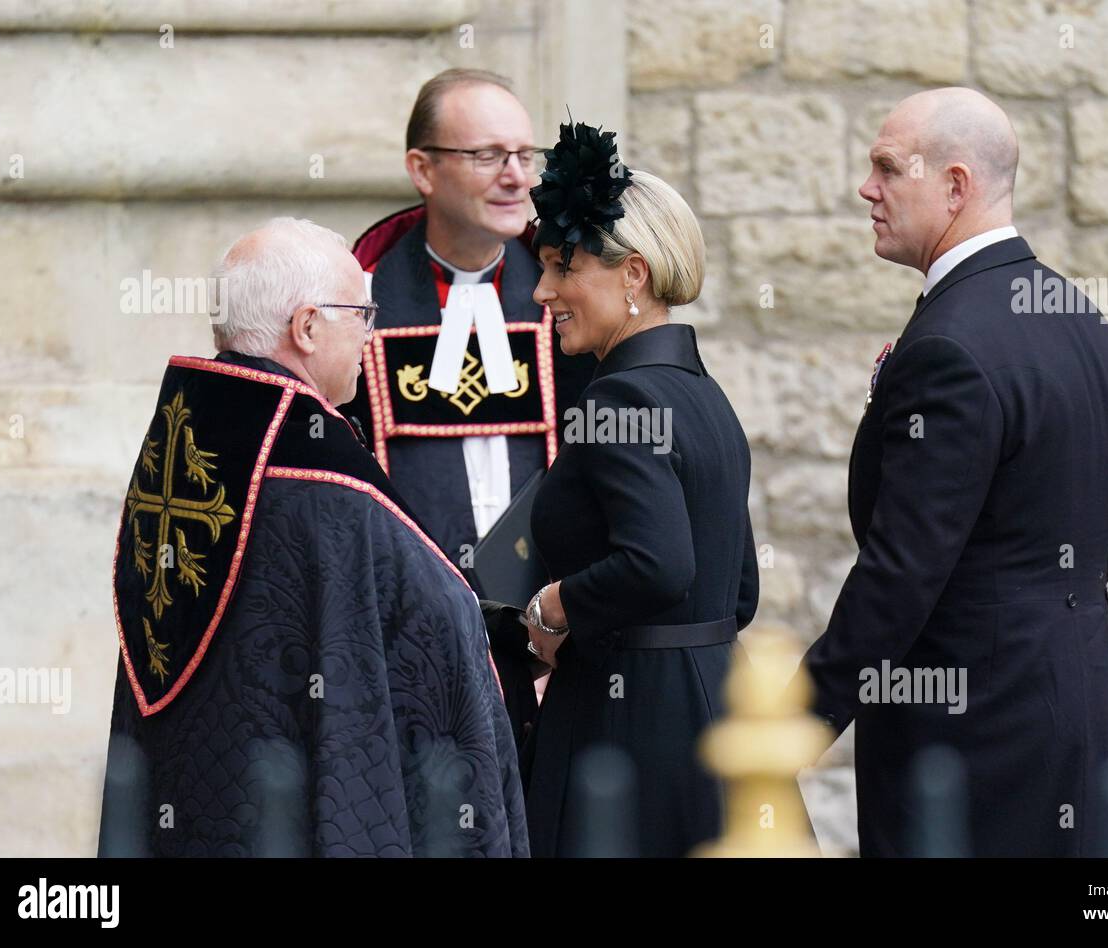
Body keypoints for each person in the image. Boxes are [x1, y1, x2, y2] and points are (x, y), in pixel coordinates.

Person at [98, 218, 529, 857]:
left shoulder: (181, 444)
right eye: (361, 313)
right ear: (306, 327)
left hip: (201, 796)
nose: (370, 334)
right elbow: (439, 623)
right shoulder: (323, 487)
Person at [797, 88, 1108, 856]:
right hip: (1073, 704)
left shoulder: (949, 347)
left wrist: (795, 720)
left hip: (969, 739)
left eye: (888, 169)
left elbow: (903, 572)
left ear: (955, 185)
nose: (867, 189)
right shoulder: (1082, 321)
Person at [519, 120, 760, 857]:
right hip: (719, 706)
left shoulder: (617, 401)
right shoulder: (704, 394)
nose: (542, 290)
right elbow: (740, 590)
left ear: (634, 275)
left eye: (564, 268)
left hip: (630, 727)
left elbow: (658, 564)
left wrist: (552, 609)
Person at [345, 69, 594, 747]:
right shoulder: (359, 303)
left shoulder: (574, 298)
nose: (517, 176)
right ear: (421, 169)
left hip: (555, 647)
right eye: (487, 156)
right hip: (412, 657)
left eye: (525, 155)